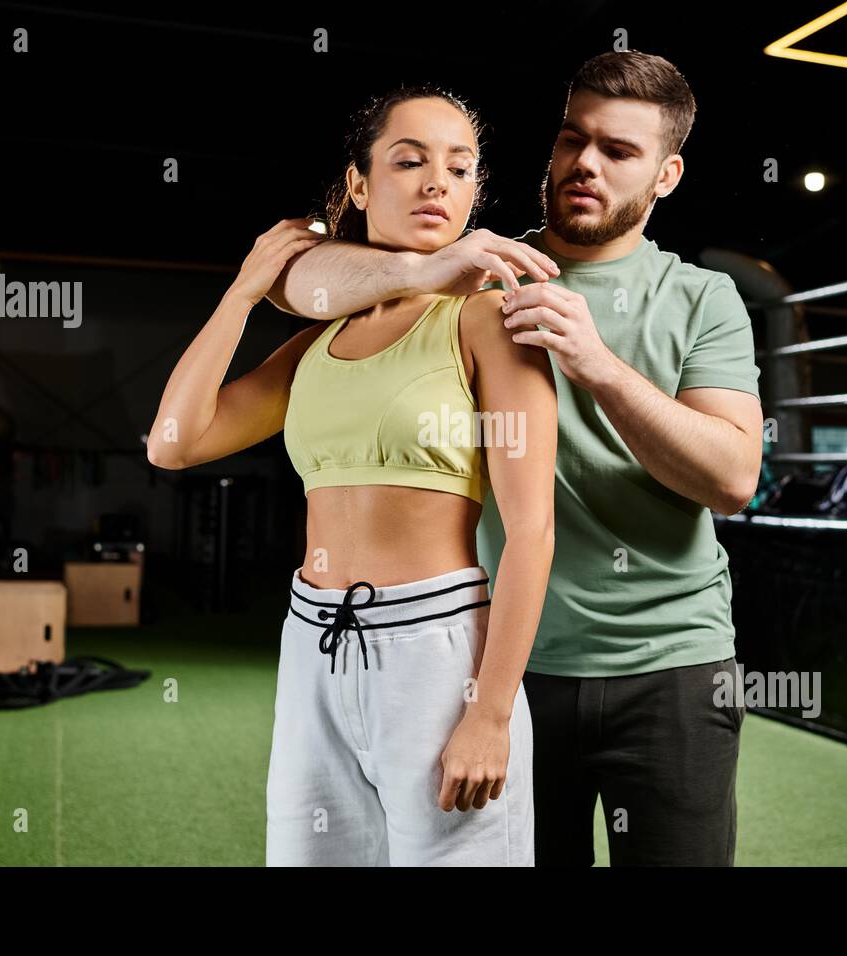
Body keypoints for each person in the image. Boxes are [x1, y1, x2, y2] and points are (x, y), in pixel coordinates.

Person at [265, 51, 764, 866]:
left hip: (670, 666)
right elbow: (294, 281)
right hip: (501, 664)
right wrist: (431, 265)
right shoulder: (477, 272)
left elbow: (733, 479)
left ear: (666, 175)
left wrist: (596, 363)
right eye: (573, 140)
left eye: (619, 152)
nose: (585, 166)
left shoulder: (700, 298)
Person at [146, 85, 559, 866]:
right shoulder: (314, 346)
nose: (438, 181)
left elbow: (532, 531)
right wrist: (241, 293)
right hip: (313, 647)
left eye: (460, 168)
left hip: (439, 658)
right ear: (360, 185)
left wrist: (492, 713)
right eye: (410, 161)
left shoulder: (487, 322)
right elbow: (172, 443)